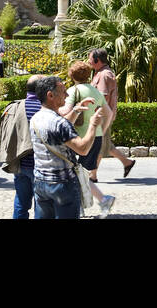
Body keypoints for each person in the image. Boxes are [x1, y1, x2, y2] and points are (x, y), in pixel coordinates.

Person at [29, 75, 106, 219]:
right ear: (50, 95)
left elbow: (57, 132)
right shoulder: (59, 123)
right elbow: (82, 149)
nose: (67, 94)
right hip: (62, 184)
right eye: (63, 91)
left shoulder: (36, 118)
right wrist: (93, 124)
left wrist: (76, 110)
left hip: (41, 182)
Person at [61, 61, 116, 215]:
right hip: (95, 136)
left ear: (71, 75)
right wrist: (101, 131)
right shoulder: (96, 91)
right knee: (81, 174)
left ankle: (98, 201)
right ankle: (97, 202)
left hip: (78, 138)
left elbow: (65, 110)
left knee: (75, 174)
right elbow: (109, 114)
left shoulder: (72, 91)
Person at [88, 48, 136, 180]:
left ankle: (93, 175)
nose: (88, 61)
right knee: (104, 144)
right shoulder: (100, 73)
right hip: (102, 115)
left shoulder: (104, 75)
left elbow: (103, 98)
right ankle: (127, 162)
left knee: (98, 143)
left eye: (90, 59)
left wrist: (96, 115)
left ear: (97, 60)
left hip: (102, 115)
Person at [9, 75, 41, 219]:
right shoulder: (43, 108)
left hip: (19, 161)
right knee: (41, 203)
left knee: (21, 201)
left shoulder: (14, 106)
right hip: (38, 163)